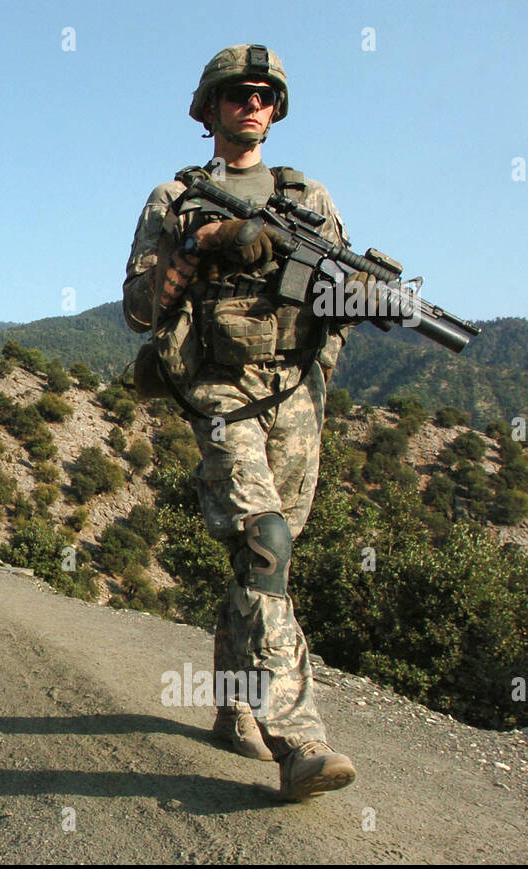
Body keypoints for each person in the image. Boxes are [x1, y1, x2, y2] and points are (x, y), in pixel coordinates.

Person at [122, 44, 358, 800]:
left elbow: (339, 299)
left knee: (263, 562)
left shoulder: (310, 197)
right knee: (267, 540)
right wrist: (207, 242)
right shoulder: (177, 196)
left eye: (263, 94)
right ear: (211, 109)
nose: (251, 103)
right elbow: (138, 307)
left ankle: (233, 705)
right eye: (237, 93)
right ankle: (300, 738)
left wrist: (341, 326)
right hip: (221, 394)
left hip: (295, 397)